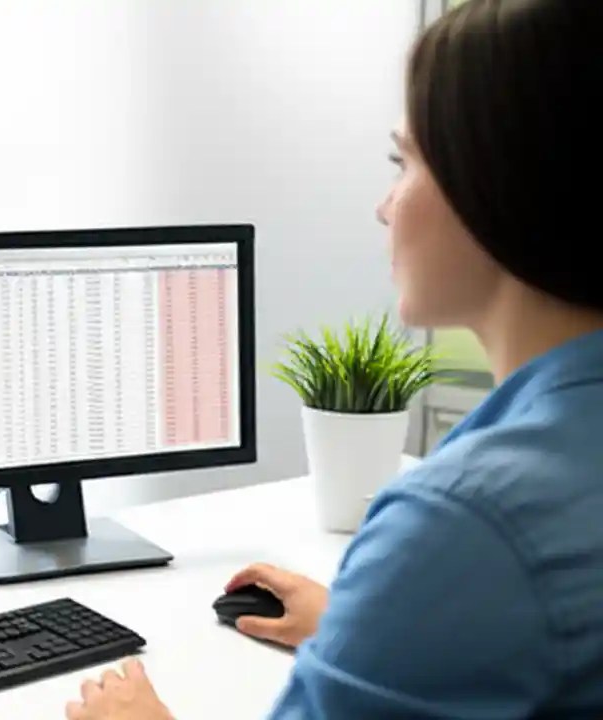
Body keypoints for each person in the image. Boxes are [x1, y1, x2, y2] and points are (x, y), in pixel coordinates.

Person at [65, 0, 603, 717]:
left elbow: (492, 564)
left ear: (494, 184)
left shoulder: (466, 524)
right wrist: (373, 628)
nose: (385, 206)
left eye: (403, 161)